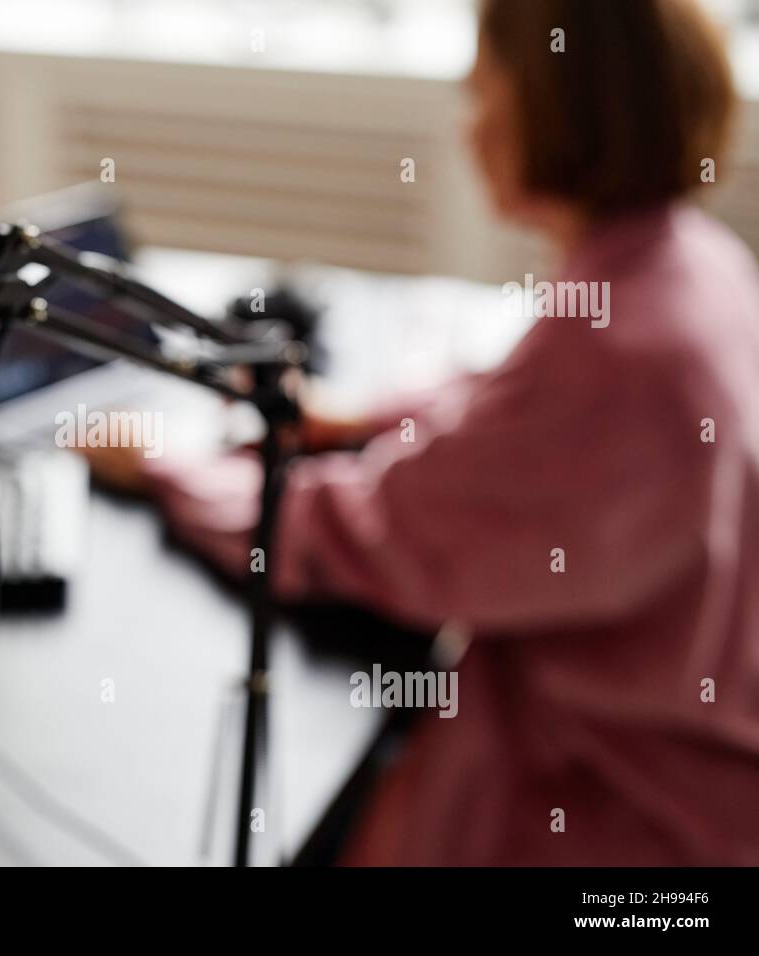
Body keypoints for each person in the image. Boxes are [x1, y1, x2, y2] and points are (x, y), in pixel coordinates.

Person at [84, 0, 759, 864]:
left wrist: (164, 464)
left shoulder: (619, 352)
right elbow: (513, 405)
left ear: (560, 106)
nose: (467, 130)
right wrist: (358, 417)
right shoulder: (693, 263)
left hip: (631, 832)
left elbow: (358, 534)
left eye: (482, 95)